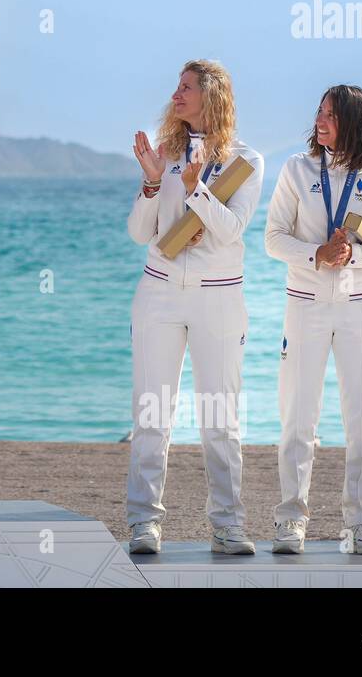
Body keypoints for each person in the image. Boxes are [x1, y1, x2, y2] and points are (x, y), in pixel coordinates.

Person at [126, 60, 264, 555]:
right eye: (177, 86)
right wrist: (150, 184)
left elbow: (230, 229)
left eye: (185, 87)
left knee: (220, 416)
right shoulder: (164, 153)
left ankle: (228, 525)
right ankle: (143, 522)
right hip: (158, 293)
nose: (175, 94)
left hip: (219, 298)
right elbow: (141, 233)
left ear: (212, 96)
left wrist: (194, 189)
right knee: (151, 412)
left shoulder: (246, 161)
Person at [265, 85, 362, 555]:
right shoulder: (296, 169)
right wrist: (315, 254)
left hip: (358, 308)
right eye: (319, 112)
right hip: (304, 305)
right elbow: (273, 238)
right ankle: (291, 520)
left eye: (330, 115)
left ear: (354, 121)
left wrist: (355, 255)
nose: (320, 121)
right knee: (297, 418)